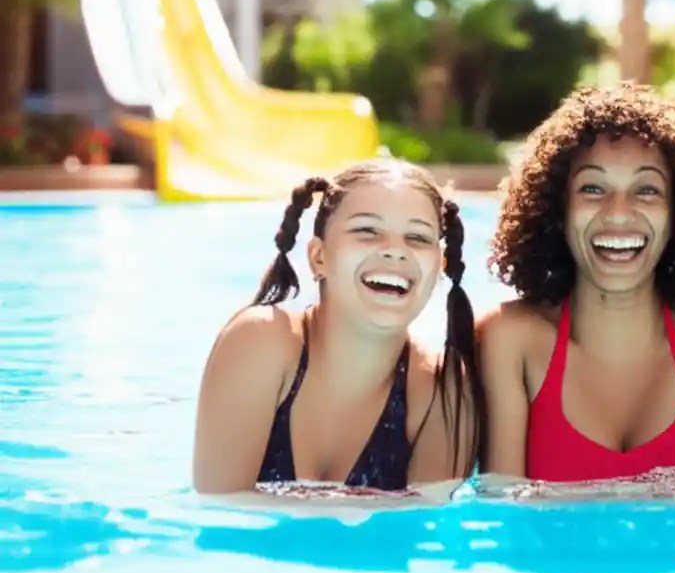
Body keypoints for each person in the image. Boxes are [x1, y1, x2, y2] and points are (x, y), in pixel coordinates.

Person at [478, 82, 675, 483]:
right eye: (593, 189)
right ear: (557, 211)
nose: (619, 213)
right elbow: (501, 512)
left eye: (647, 190)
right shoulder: (510, 339)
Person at [192, 159, 483, 495]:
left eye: (417, 237)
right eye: (367, 231)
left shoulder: (441, 390)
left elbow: (421, 528)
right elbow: (220, 507)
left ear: (440, 267)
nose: (395, 251)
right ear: (318, 257)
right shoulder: (260, 343)